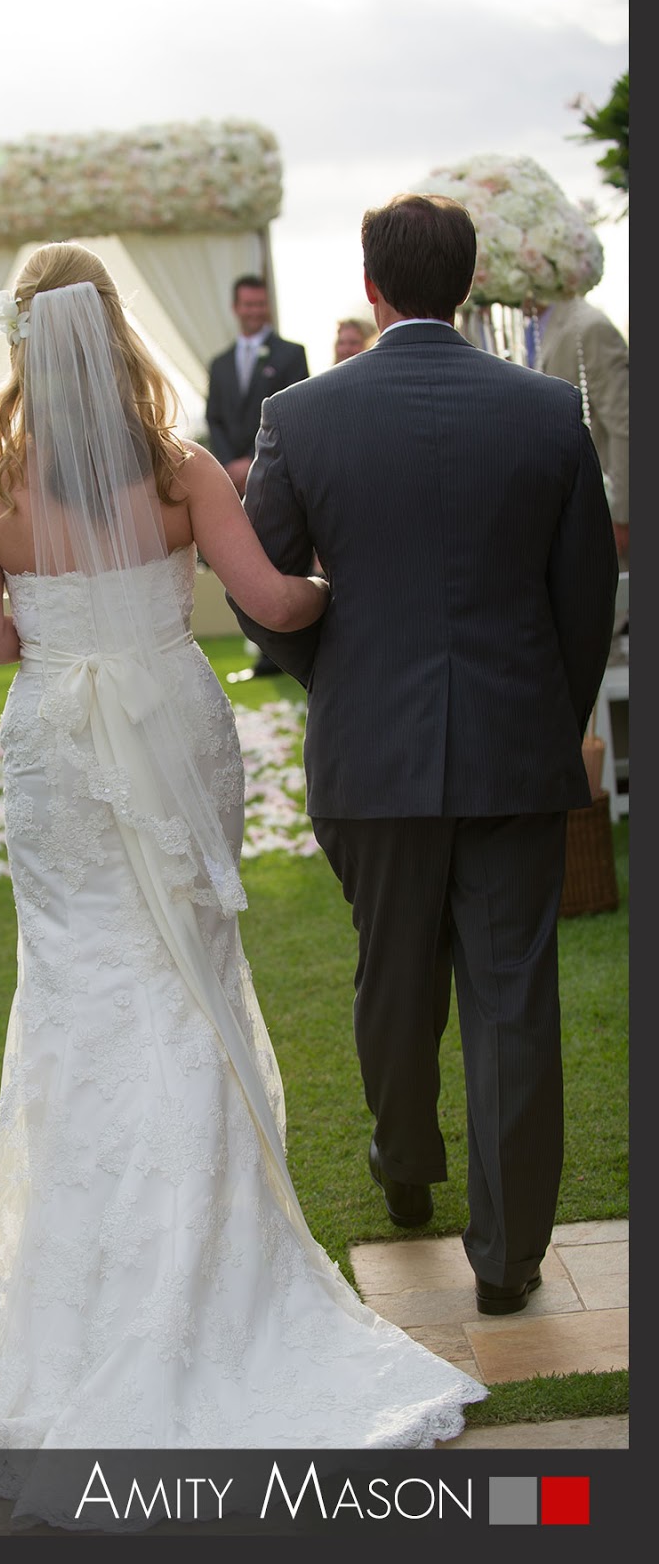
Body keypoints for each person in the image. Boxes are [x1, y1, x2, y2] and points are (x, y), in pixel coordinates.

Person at [0, 242, 486, 1520]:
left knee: (75, 989)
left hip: (57, 738)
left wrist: (57, 622)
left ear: (20, 341)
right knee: (187, 971)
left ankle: (85, 1294)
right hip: (172, 726)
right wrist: (340, 590)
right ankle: (217, 1272)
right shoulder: (178, 468)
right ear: (118, 330)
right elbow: (273, 602)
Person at [229, 193, 618, 1321]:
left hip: (370, 752)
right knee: (511, 1001)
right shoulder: (547, 410)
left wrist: (335, 682)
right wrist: (547, 716)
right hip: (513, 747)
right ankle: (504, 1257)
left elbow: (264, 599)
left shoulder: (299, 417)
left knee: (389, 975)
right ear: (467, 282)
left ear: (370, 284)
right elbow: (583, 598)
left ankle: (403, 1164)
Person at [206, 274, 310, 680]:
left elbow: (295, 411)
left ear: (267, 305)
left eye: (259, 304)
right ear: (236, 308)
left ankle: (281, 653)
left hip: (275, 473)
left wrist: (254, 461)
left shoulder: (291, 355)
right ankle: (263, 651)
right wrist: (227, 464)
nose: (253, 311)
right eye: (246, 305)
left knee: (278, 558)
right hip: (230, 481)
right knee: (242, 562)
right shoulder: (219, 363)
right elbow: (214, 417)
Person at [533, 295, 629, 563]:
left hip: (600, 510)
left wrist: (623, 516)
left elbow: (625, 426)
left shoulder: (590, 327)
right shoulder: (509, 325)